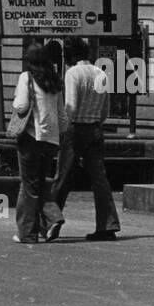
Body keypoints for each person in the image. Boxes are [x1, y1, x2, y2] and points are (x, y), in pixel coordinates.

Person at [47, 38, 121, 242]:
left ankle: (51, 220)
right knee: (100, 179)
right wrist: (96, 122)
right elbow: (106, 109)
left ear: (70, 55)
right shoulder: (101, 73)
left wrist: (62, 130)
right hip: (96, 129)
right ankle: (108, 226)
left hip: (75, 129)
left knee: (62, 176)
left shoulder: (72, 74)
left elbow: (70, 106)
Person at [9, 40, 68, 244]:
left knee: (29, 186)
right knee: (39, 183)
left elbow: (22, 105)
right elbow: (62, 116)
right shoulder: (55, 81)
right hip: (51, 140)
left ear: (30, 62)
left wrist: (15, 99)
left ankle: (28, 233)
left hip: (32, 138)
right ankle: (52, 219)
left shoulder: (27, 77)